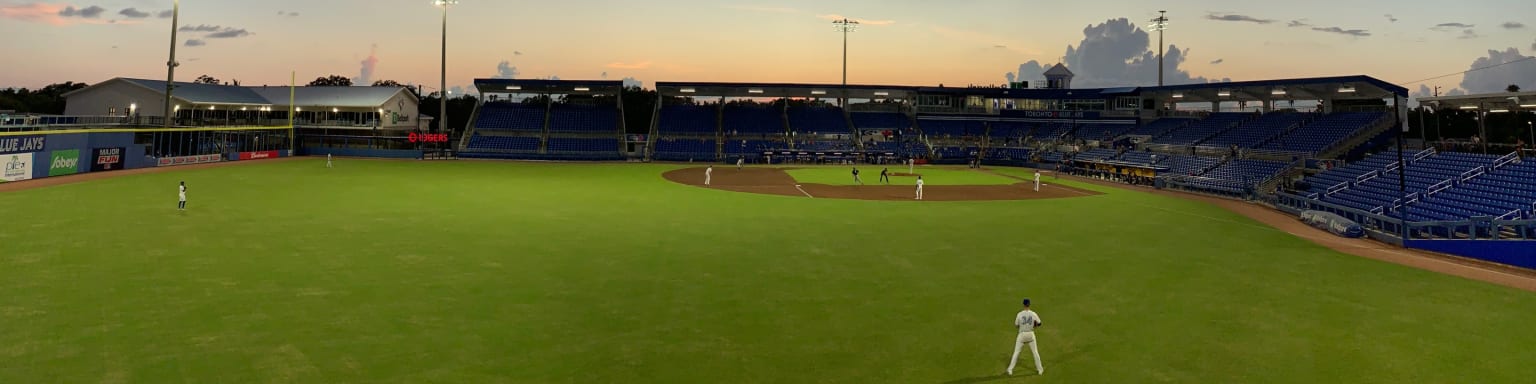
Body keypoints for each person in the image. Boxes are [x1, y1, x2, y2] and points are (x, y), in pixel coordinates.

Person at [1006, 298, 1044, 376]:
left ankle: (1010, 370)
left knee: (1016, 352)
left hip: (1022, 335)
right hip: (1030, 334)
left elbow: (1016, 325)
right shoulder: (1033, 313)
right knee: (1035, 353)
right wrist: (1034, 325)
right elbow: (1039, 323)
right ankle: (1040, 370)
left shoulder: (1019, 314)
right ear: (1029, 304)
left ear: (1023, 305)